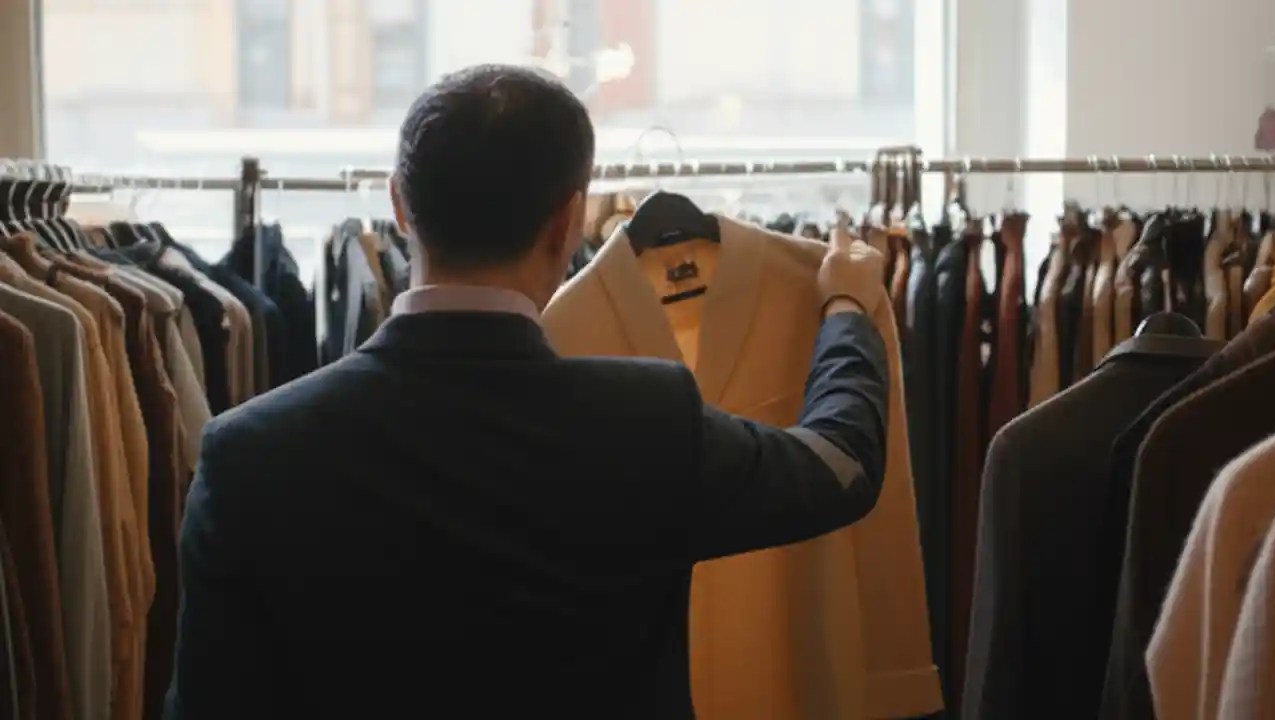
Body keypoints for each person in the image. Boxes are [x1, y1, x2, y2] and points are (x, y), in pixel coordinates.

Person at [165, 64, 890, 720]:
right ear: (567, 221)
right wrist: (846, 309)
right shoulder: (646, 421)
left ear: (401, 208)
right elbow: (840, 465)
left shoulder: (248, 457)